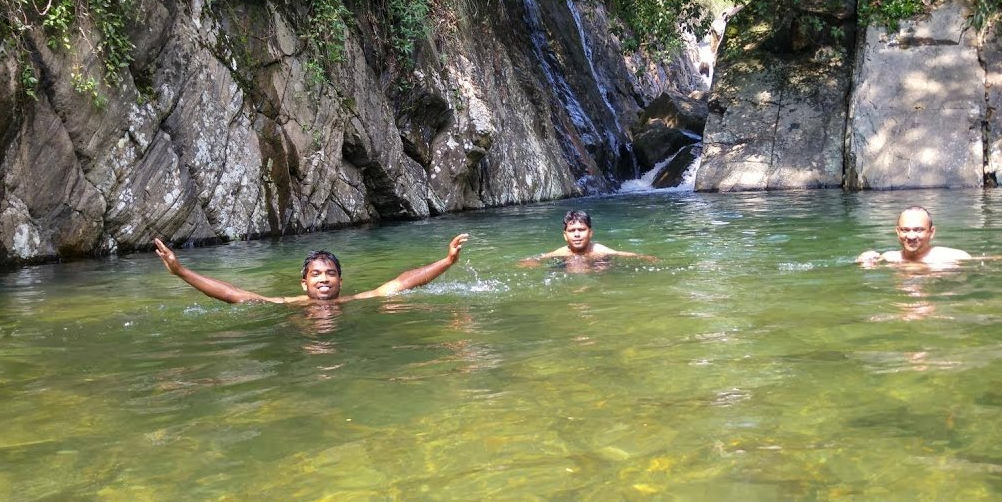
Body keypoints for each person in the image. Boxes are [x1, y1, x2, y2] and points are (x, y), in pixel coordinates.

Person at [154, 233, 470, 304]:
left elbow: (401, 283)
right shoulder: (289, 304)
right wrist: (182, 272)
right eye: (316, 274)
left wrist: (446, 261)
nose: (323, 279)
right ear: (303, 283)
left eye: (330, 274)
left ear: (341, 282)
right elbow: (237, 295)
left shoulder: (353, 301)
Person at [519, 210, 654, 266]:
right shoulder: (562, 252)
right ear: (565, 236)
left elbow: (621, 254)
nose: (577, 234)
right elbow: (538, 259)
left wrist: (645, 258)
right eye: (572, 231)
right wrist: (530, 262)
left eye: (582, 230)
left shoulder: (598, 250)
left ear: (590, 233)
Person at [856, 206, 970, 268]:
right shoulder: (888, 258)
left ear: (931, 232)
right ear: (897, 232)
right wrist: (861, 261)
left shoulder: (955, 257)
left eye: (918, 230)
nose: (911, 236)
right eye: (905, 230)